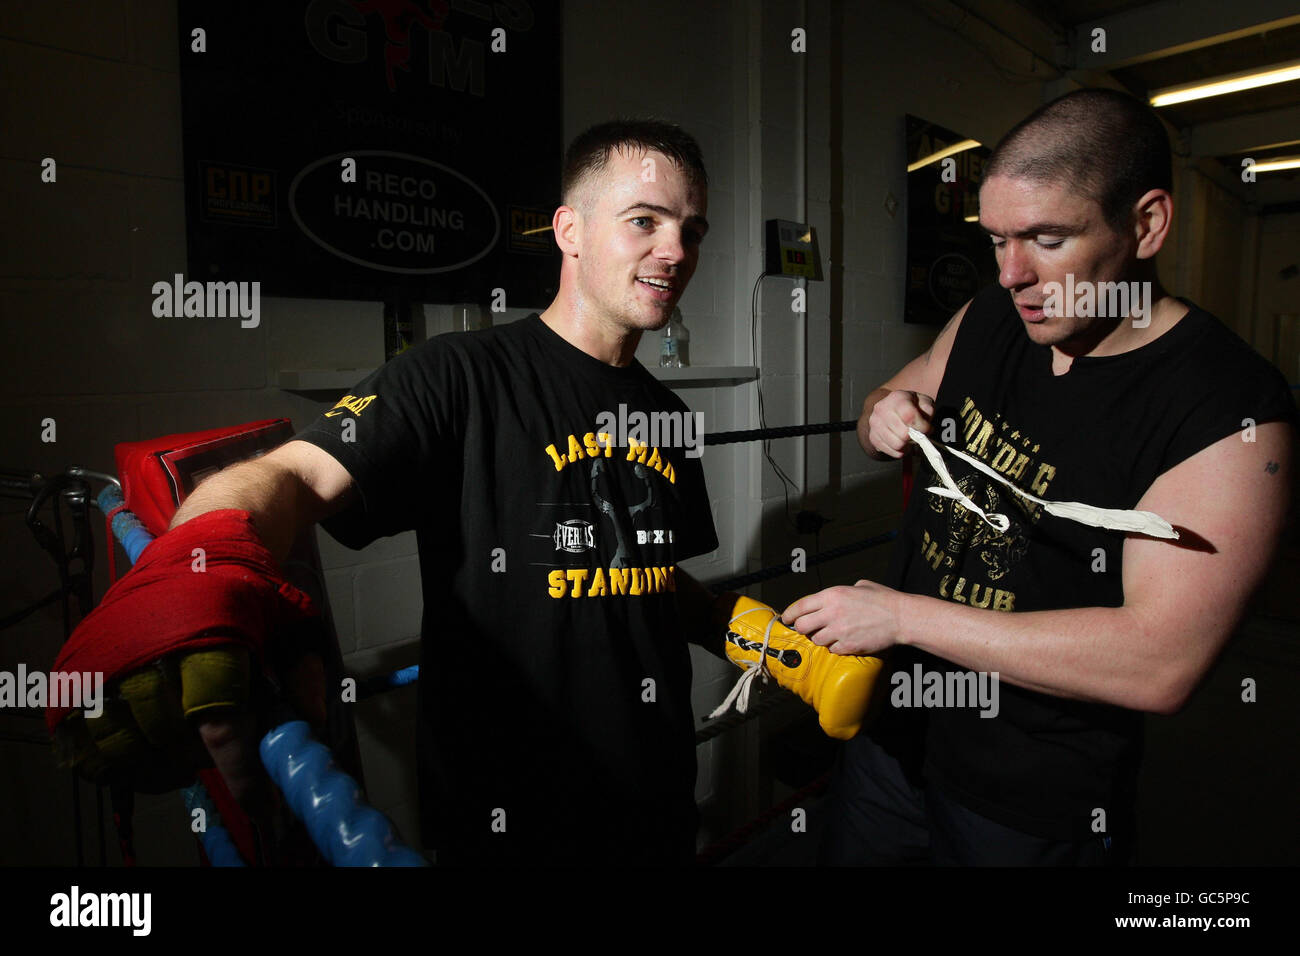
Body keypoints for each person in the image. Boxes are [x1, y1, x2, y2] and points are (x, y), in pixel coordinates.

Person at [51, 119, 741, 865]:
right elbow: (294, 472)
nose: (674, 252)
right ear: (570, 230)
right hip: (512, 812)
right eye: (645, 220)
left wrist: (747, 625)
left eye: (692, 230)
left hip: (658, 801)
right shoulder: (456, 377)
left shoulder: (668, 417)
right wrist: (197, 567)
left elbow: (648, 576)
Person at [784, 89, 1298, 865]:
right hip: (894, 734)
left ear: (1147, 224)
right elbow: (880, 406)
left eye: (1047, 239)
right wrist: (884, 414)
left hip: (1029, 795)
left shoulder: (1227, 409)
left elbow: (1160, 661)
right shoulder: (995, 315)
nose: (1013, 273)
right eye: (995, 240)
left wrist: (906, 620)